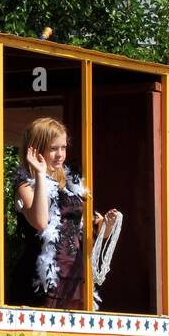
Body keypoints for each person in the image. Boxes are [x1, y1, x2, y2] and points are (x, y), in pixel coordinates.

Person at [14, 117, 118, 309]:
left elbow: (86, 229)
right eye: (53, 148)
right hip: (44, 277)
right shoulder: (25, 183)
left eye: (63, 148)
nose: (60, 155)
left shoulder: (70, 185)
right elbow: (41, 222)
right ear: (36, 150)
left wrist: (106, 225)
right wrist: (39, 174)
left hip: (75, 273)